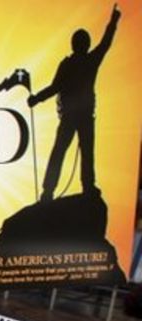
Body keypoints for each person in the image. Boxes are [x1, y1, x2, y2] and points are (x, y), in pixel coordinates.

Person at [28, 4, 120, 202]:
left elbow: (54, 88)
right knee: (83, 152)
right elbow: (105, 43)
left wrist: (36, 98)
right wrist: (113, 21)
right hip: (82, 116)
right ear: (85, 44)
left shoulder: (70, 64)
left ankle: (50, 191)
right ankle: (84, 187)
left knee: (61, 151)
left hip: (72, 116)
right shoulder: (89, 61)